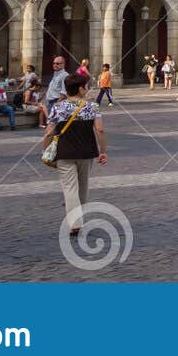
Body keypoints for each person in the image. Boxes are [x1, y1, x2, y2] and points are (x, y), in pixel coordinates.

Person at [44, 73, 107, 238]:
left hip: (64, 152)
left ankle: (75, 223)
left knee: (69, 188)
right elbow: (100, 129)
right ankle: (79, 219)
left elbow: (48, 133)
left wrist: (46, 150)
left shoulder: (58, 107)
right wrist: (103, 151)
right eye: (86, 86)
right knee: (83, 186)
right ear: (80, 89)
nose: (87, 88)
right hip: (86, 152)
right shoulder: (92, 107)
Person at [43, 57, 70, 123]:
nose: (55, 65)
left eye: (57, 63)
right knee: (51, 124)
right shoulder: (55, 74)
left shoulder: (64, 75)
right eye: (54, 63)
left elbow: (64, 93)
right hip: (51, 103)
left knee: (53, 125)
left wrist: (56, 105)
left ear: (63, 64)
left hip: (57, 102)